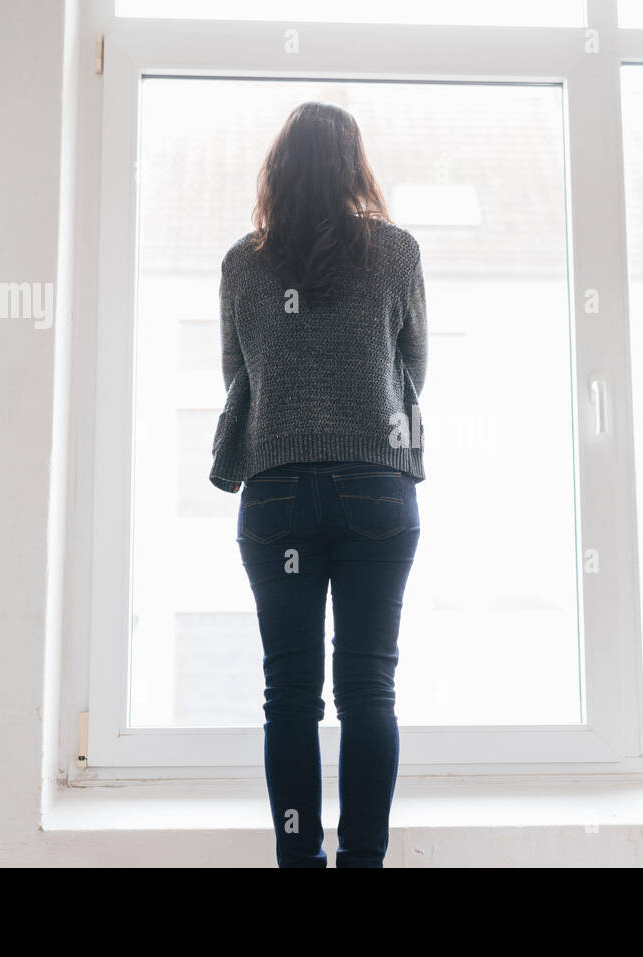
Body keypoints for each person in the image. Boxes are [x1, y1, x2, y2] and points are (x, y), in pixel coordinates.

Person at [209, 101, 427, 867]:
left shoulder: (243, 264)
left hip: (275, 495)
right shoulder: (396, 253)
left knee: (290, 697)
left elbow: (240, 376)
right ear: (354, 168)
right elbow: (415, 369)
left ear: (278, 172)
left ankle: (298, 862)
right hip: (377, 487)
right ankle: (362, 861)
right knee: (369, 689)